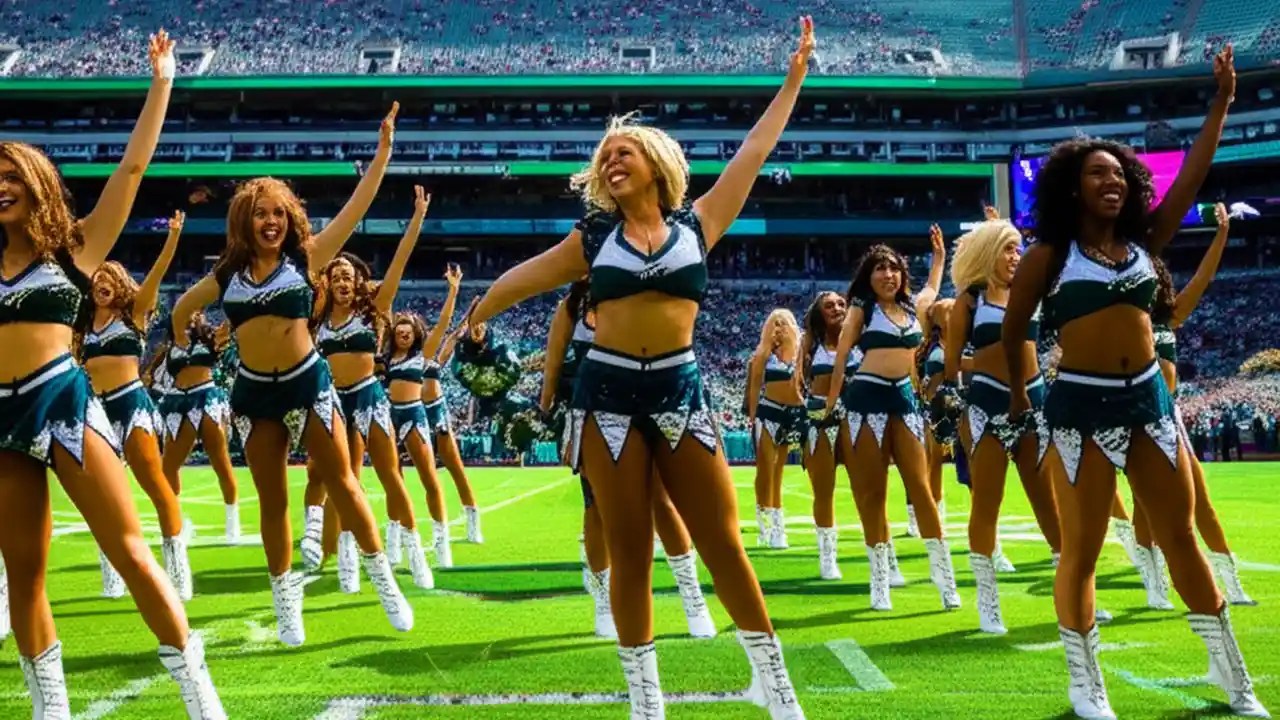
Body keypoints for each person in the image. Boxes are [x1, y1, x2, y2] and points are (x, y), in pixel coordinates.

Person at [464, 17, 816, 718]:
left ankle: (774, 686)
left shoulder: (700, 223)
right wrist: (475, 317)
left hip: (682, 391)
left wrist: (796, 75)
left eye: (625, 151)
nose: (612, 161)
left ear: (657, 163)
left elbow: (754, 148)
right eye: (605, 157)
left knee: (721, 541)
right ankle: (645, 700)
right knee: (629, 549)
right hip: (607, 399)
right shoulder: (591, 237)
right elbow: (523, 280)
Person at [1002, 46, 1265, 719]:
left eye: (1119, 173)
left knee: (1179, 533)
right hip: (1077, 410)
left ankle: (1232, 674)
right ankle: (1085, 682)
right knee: (1083, 549)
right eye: (1097, 174)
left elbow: (1192, 179)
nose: (1112, 182)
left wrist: (1222, 105)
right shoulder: (1047, 254)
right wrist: (1022, 400)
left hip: (1149, 400)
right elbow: (1014, 331)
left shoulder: (1147, 242)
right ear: (1072, 187)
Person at [0, 31, 225, 719]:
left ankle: (197, 690)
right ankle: (53, 707)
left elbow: (129, 174)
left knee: (127, 549)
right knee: (24, 575)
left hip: (62, 402)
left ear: (36, 185)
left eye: (11, 178)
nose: (0, 190)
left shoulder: (77, 250)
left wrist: (161, 85)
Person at [169, 103, 412, 647]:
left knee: (345, 484)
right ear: (244, 221)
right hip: (253, 395)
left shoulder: (308, 258)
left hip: (308, 381)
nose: (271, 221)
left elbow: (356, 208)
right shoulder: (227, 273)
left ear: (290, 218)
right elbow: (181, 309)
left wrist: (383, 154)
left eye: (279, 212)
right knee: (273, 501)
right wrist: (191, 336)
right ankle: (286, 604)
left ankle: (383, 580)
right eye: (260, 214)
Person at [542, 280, 716, 640]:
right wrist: (549, 414)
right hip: (591, 414)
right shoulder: (571, 307)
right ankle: (604, 601)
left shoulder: (645, 292)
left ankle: (692, 596)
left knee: (661, 501)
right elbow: (554, 359)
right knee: (596, 507)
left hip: (648, 407)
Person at [824, 228, 958, 613]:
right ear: (869, 276)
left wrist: (938, 259)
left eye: (894, 268)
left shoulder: (914, 307)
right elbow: (841, 356)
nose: (888, 275)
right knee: (872, 494)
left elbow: (933, 289)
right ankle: (880, 581)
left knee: (922, 489)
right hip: (865, 399)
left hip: (904, 399)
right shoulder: (861, 310)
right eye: (880, 269)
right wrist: (831, 406)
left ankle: (945, 580)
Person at [942, 217, 1064, 634]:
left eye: (1018, 249)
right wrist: (992, 360)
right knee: (987, 504)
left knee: (1047, 502)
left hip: (1035, 402)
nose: (1016, 257)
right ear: (988, 254)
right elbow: (952, 363)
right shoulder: (969, 301)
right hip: (987, 406)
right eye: (1008, 249)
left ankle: (1073, 597)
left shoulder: (1028, 294)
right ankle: (988, 604)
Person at [313, 186, 435, 592]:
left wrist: (416, 218)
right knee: (346, 481)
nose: (343, 280)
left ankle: (415, 552)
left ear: (359, 281)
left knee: (391, 476)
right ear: (327, 283)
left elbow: (399, 262)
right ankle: (349, 560)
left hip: (369, 396)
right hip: (334, 402)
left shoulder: (376, 309)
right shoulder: (317, 319)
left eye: (349, 275)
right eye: (336, 276)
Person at [1130, 205, 1254, 608]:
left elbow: (1204, 278)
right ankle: (1154, 586)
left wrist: (1221, 233)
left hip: (1171, 415)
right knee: (1143, 509)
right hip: (1135, 416)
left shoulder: (1170, 319)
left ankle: (1231, 584)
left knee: (1201, 502)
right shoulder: (1124, 321)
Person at [83, 211, 190, 601]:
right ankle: (111, 576)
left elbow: (158, 274)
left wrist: (173, 237)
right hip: (95, 411)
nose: (102, 284)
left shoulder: (135, 316)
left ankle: (178, 571)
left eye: (109, 279)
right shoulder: (81, 327)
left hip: (131, 405)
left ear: (121, 286)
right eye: (97, 280)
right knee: (102, 499)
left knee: (156, 486)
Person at [383, 265, 462, 568]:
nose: (403, 332)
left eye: (407, 329)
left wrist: (453, 290)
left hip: (415, 416)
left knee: (430, 478)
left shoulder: (422, 355)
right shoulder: (387, 357)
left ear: (415, 334)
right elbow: (382, 314)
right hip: (390, 417)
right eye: (398, 329)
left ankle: (441, 543)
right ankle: (395, 541)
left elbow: (443, 325)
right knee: (394, 482)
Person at [159, 310, 239, 547]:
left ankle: (232, 523)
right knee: (168, 467)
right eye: (187, 310)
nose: (191, 315)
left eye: (196, 311)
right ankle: (179, 523)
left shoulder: (212, 337)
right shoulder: (170, 344)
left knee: (220, 462)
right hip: (177, 402)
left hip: (206, 398)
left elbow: (233, 322)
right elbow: (151, 375)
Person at [798, 291, 857, 580]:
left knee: (870, 489)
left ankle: (885, 556)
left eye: (841, 304)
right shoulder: (810, 345)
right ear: (819, 314)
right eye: (829, 305)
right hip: (819, 418)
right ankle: (827, 557)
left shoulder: (861, 340)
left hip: (856, 418)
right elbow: (796, 380)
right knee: (824, 491)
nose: (836, 308)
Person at [746, 309, 806, 550]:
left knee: (779, 470)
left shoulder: (802, 350)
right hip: (769, 412)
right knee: (765, 471)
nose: (779, 327)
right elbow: (754, 387)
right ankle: (765, 524)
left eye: (783, 323)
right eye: (775, 323)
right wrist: (752, 417)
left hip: (794, 413)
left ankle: (778, 527)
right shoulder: (763, 353)